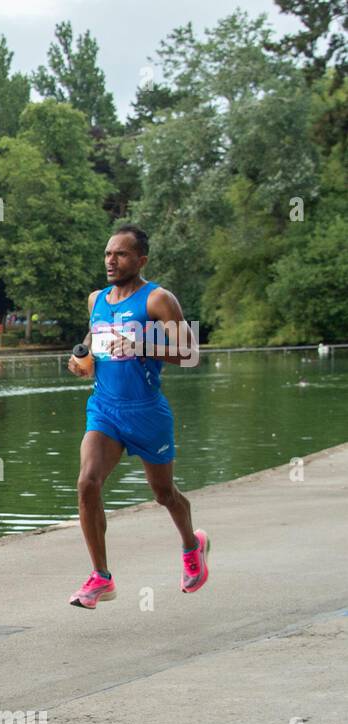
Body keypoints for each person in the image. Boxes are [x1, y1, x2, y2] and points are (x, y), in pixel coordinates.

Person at [68, 224, 208, 608]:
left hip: (147, 413)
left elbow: (190, 354)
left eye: (122, 254)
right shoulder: (97, 299)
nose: (112, 260)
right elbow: (91, 345)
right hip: (105, 410)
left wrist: (141, 343)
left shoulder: (158, 299)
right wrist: (80, 359)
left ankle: (191, 545)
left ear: (141, 260)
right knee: (87, 483)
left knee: (163, 493)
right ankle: (101, 577)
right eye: (108, 253)